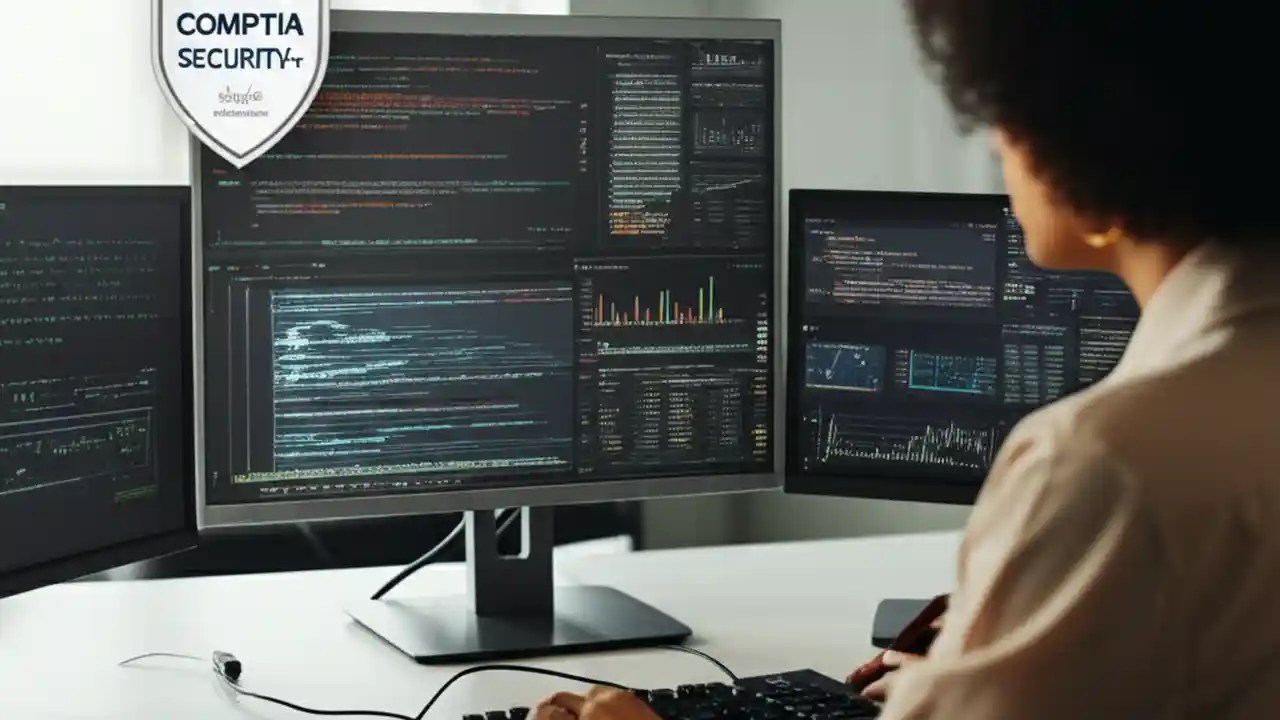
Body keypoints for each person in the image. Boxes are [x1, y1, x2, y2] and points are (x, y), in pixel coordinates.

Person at [532, 0, 1280, 717]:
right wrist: (982, 682)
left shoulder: (1103, 467)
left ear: (1088, 145)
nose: (996, 147)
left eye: (1004, 119)